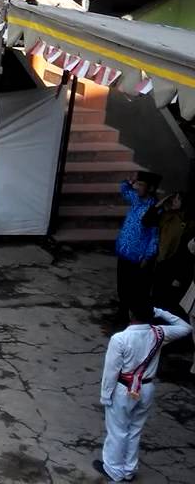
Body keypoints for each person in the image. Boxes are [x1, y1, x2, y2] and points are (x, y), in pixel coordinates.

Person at [93, 300, 191, 482]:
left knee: (117, 431)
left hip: (124, 389)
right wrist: (160, 312)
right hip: (146, 388)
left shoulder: (120, 339)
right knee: (135, 429)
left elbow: (111, 371)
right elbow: (185, 328)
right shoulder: (159, 333)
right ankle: (129, 469)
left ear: (131, 315)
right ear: (151, 315)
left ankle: (114, 469)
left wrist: (105, 395)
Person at [115, 173, 160, 321]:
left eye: (141, 185)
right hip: (124, 252)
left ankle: (131, 320)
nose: (137, 187)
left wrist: (147, 257)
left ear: (151, 188)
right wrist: (129, 181)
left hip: (137, 257)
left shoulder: (154, 209)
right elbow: (123, 189)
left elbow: (154, 236)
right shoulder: (136, 200)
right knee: (121, 287)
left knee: (133, 290)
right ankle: (121, 315)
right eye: (137, 184)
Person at [151, 192, 192, 313]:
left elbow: (186, 252)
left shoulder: (188, 223)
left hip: (175, 268)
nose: (174, 201)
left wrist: (179, 276)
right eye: (173, 199)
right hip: (161, 262)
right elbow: (147, 221)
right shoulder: (168, 217)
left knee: (168, 303)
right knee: (156, 299)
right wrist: (159, 206)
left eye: (178, 199)